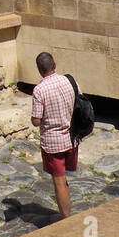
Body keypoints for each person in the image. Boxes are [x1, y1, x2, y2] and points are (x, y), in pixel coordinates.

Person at [31, 52, 77, 218]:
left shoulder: (39, 90)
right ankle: (67, 211)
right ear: (55, 65)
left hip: (53, 142)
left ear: (39, 69)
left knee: (58, 181)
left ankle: (66, 217)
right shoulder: (70, 81)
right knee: (64, 180)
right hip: (71, 137)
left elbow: (36, 120)